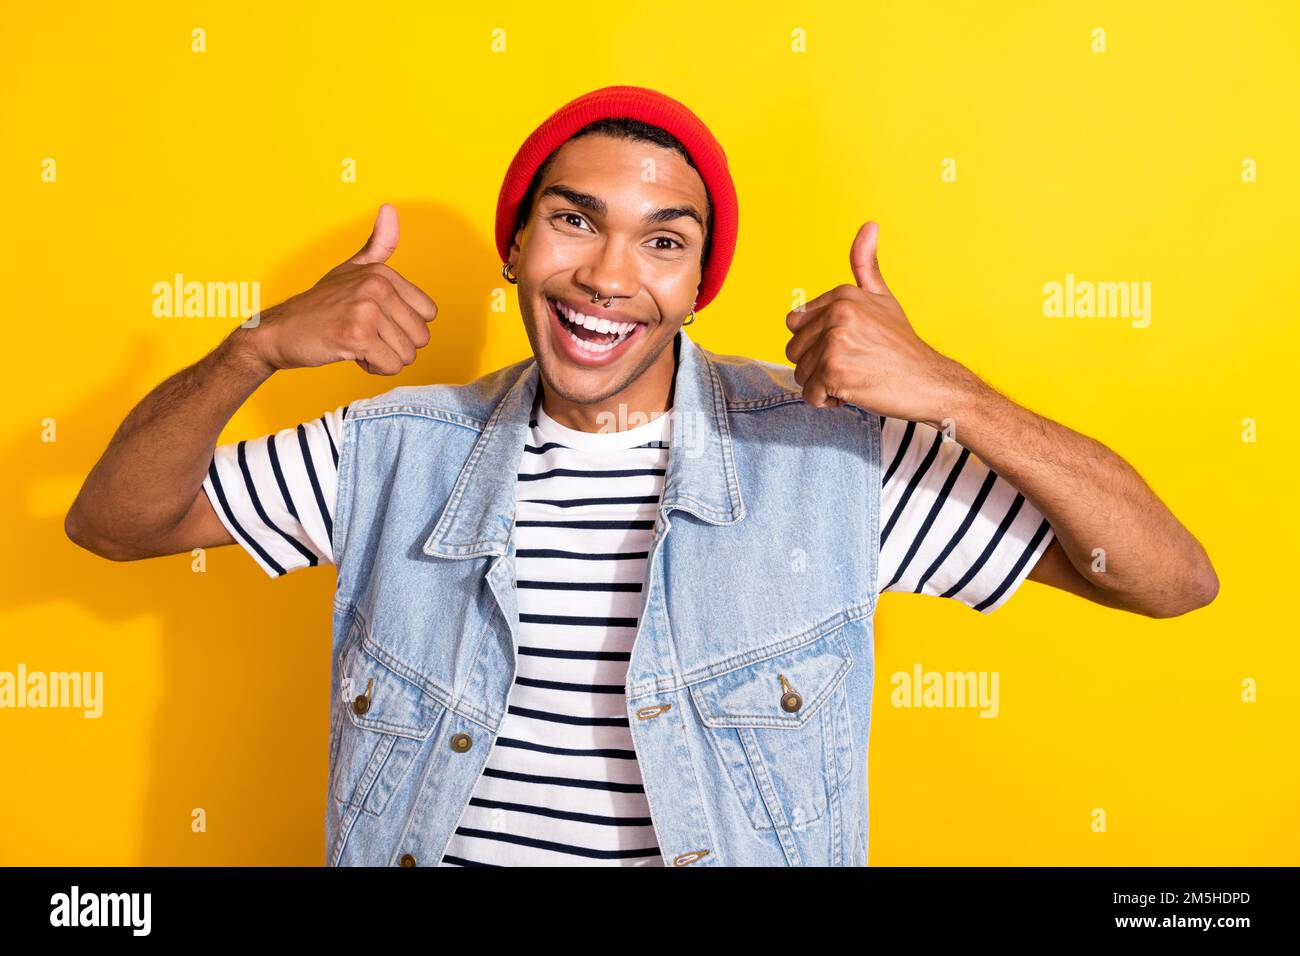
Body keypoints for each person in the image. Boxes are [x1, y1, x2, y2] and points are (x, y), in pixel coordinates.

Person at [65, 85, 1217, 867]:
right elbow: (117, 522)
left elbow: (1167, 578)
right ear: (517, 244)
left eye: (662, 241)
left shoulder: (830, 459)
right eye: (574, 222)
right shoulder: (393, 449)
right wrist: (255, 345)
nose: (608, 275)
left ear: (698, 283)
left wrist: (955, 393)